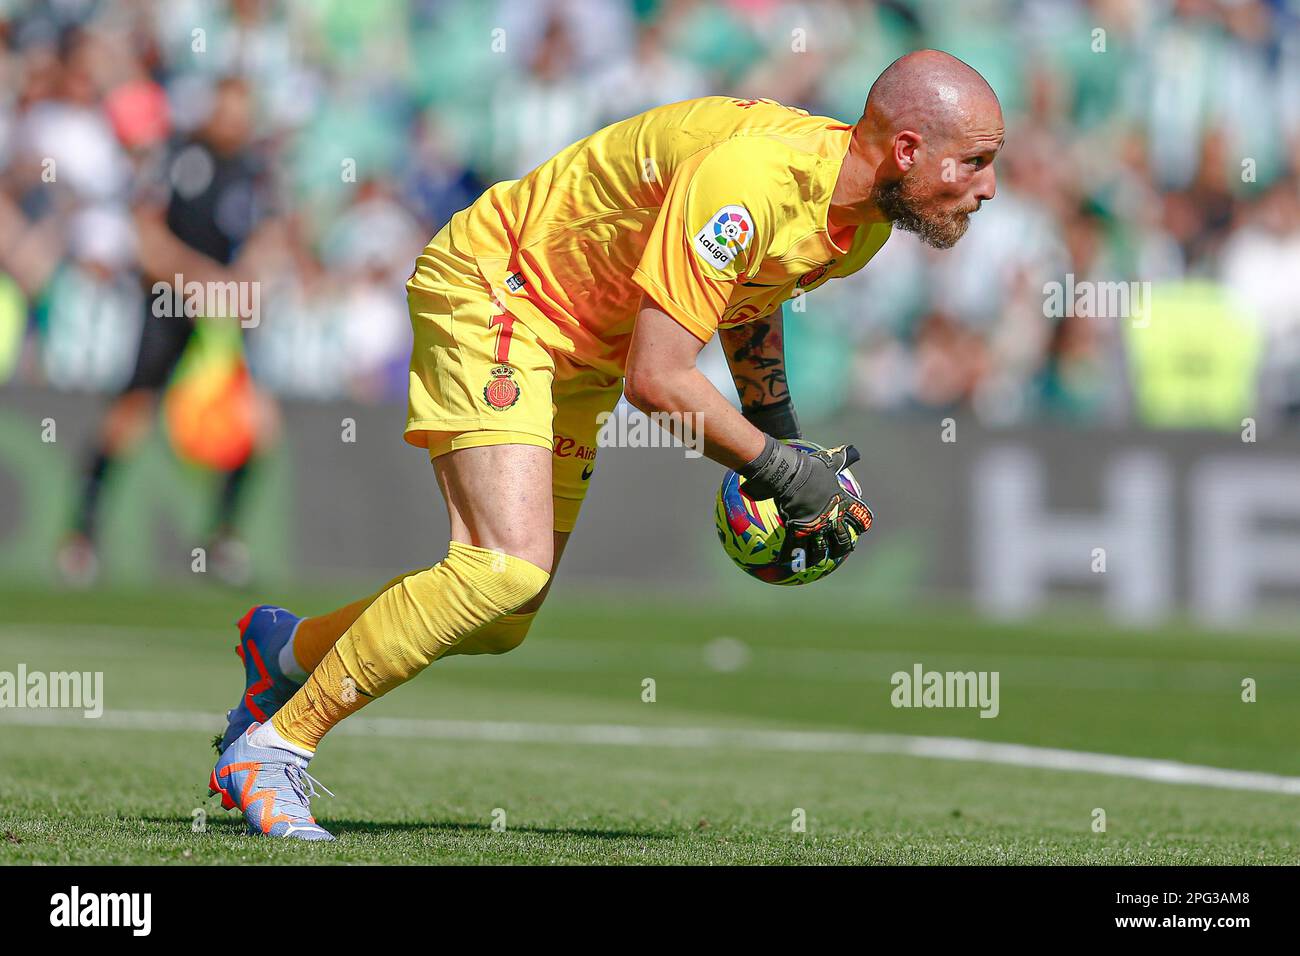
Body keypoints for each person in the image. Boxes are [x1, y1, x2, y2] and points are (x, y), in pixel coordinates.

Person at [209, 50, 1004, 840]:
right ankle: (273, 746)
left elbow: (741, 299)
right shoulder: (754, 179)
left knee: (503, 615)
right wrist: (776, 469)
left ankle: (285, 649)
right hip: (501, 290)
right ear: (906, 151)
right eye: (974, 162)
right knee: (500, 567)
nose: (988, 186)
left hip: (583, 342)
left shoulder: (857, 225)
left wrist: (786, 444)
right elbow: (657, 381)